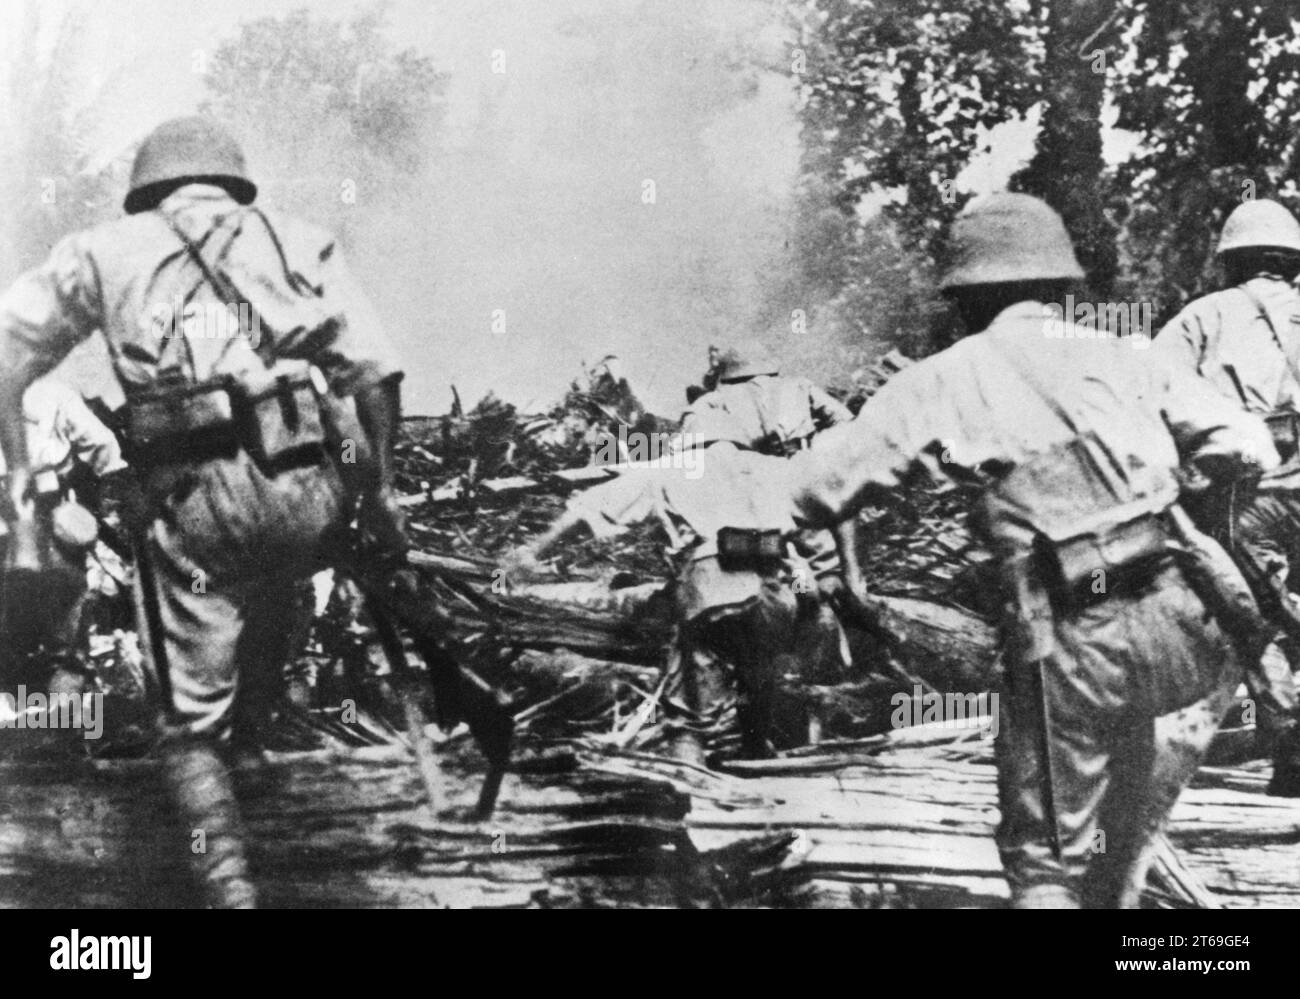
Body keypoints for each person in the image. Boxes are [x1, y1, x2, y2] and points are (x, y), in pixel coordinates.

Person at [783, 192, 1276, 908]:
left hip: (1071, 629)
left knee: (1046, 861)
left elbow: (818, 493)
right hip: (1179, 622)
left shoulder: (943, 377)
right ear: (1059, 285)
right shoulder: (1123, 351)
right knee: (1118, 834)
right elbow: (1248, 444)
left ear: (966, 297)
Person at [0, 116, 407, 907]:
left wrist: (23, 484)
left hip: (191, 496)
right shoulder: (300, 240)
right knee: (278, 592)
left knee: (187, 721)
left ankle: (229, 888)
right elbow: (375, 371)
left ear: (147, 188)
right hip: (303, 487)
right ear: (230, 181)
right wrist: (383, 492)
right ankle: (252, 766)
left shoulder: (102, 251)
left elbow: (4, 356)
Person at [509, 408, 838, 761]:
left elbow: (591, 508)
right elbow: (816, 528)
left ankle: (691, 790)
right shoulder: (774, 468)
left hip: (711, 589)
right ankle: (760, 765)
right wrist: (826, 577)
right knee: (757, 681)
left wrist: (533, 551)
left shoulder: (674, 467)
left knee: (687, 715)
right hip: (776, 591)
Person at [1152, 198, 1300, 795]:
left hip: (1250, 490)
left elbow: (1151, 393)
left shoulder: (1205, 316)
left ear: (1232, 261)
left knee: (1254, 617)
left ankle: (1291, 738)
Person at [0, 379, 126, 690]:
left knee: (63, 612)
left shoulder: (49, 391)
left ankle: (62, 703)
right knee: (55, 622)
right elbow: (103, 449)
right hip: (23, 519)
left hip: (49, 515)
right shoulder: (45, 389)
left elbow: (101, 446)